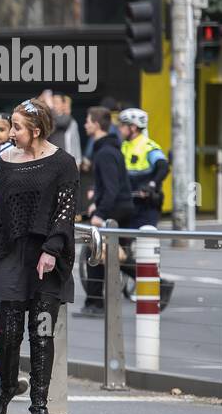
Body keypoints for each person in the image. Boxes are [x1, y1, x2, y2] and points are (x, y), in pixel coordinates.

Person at [0, 98, 78, 414]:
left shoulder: (63, 163)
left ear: (36, 129)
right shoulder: (6, 161)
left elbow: (65, 212)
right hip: (9, 256)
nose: (10, 133)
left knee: (42, 333)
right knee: (8, 332)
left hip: (46, 259)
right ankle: (5, 388)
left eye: (16, 127)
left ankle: (40, 407)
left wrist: (52, 248)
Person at [80, 106, 133, 315]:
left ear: (96, 124)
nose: (85, 124)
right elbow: (106, 186)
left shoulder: (105, 152)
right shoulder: (106, 149)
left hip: (116, 209)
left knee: (98, 252)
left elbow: (112, 188)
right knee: (105, 253)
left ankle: (95, 303)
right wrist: (96, 202)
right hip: (115, 206)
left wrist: (100, 214)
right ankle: (94, 302)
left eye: (87, 120)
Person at [118, 107, 167, 230]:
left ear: (133, 127)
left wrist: (151, 185)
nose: (120, 128)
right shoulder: (123, 146)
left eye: (123, 125)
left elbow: (163, 166)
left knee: (144, 243)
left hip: (146, 206)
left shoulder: (149, 146)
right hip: (127, 204)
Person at [49, 93, 82, 163]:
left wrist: (78, 160)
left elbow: (76, 142)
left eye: (56, 103)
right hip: (51, 158)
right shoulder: (50, 119)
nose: (54, 105)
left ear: (63, 105)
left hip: (65, 158)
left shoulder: (68, 119)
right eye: (52, 102)